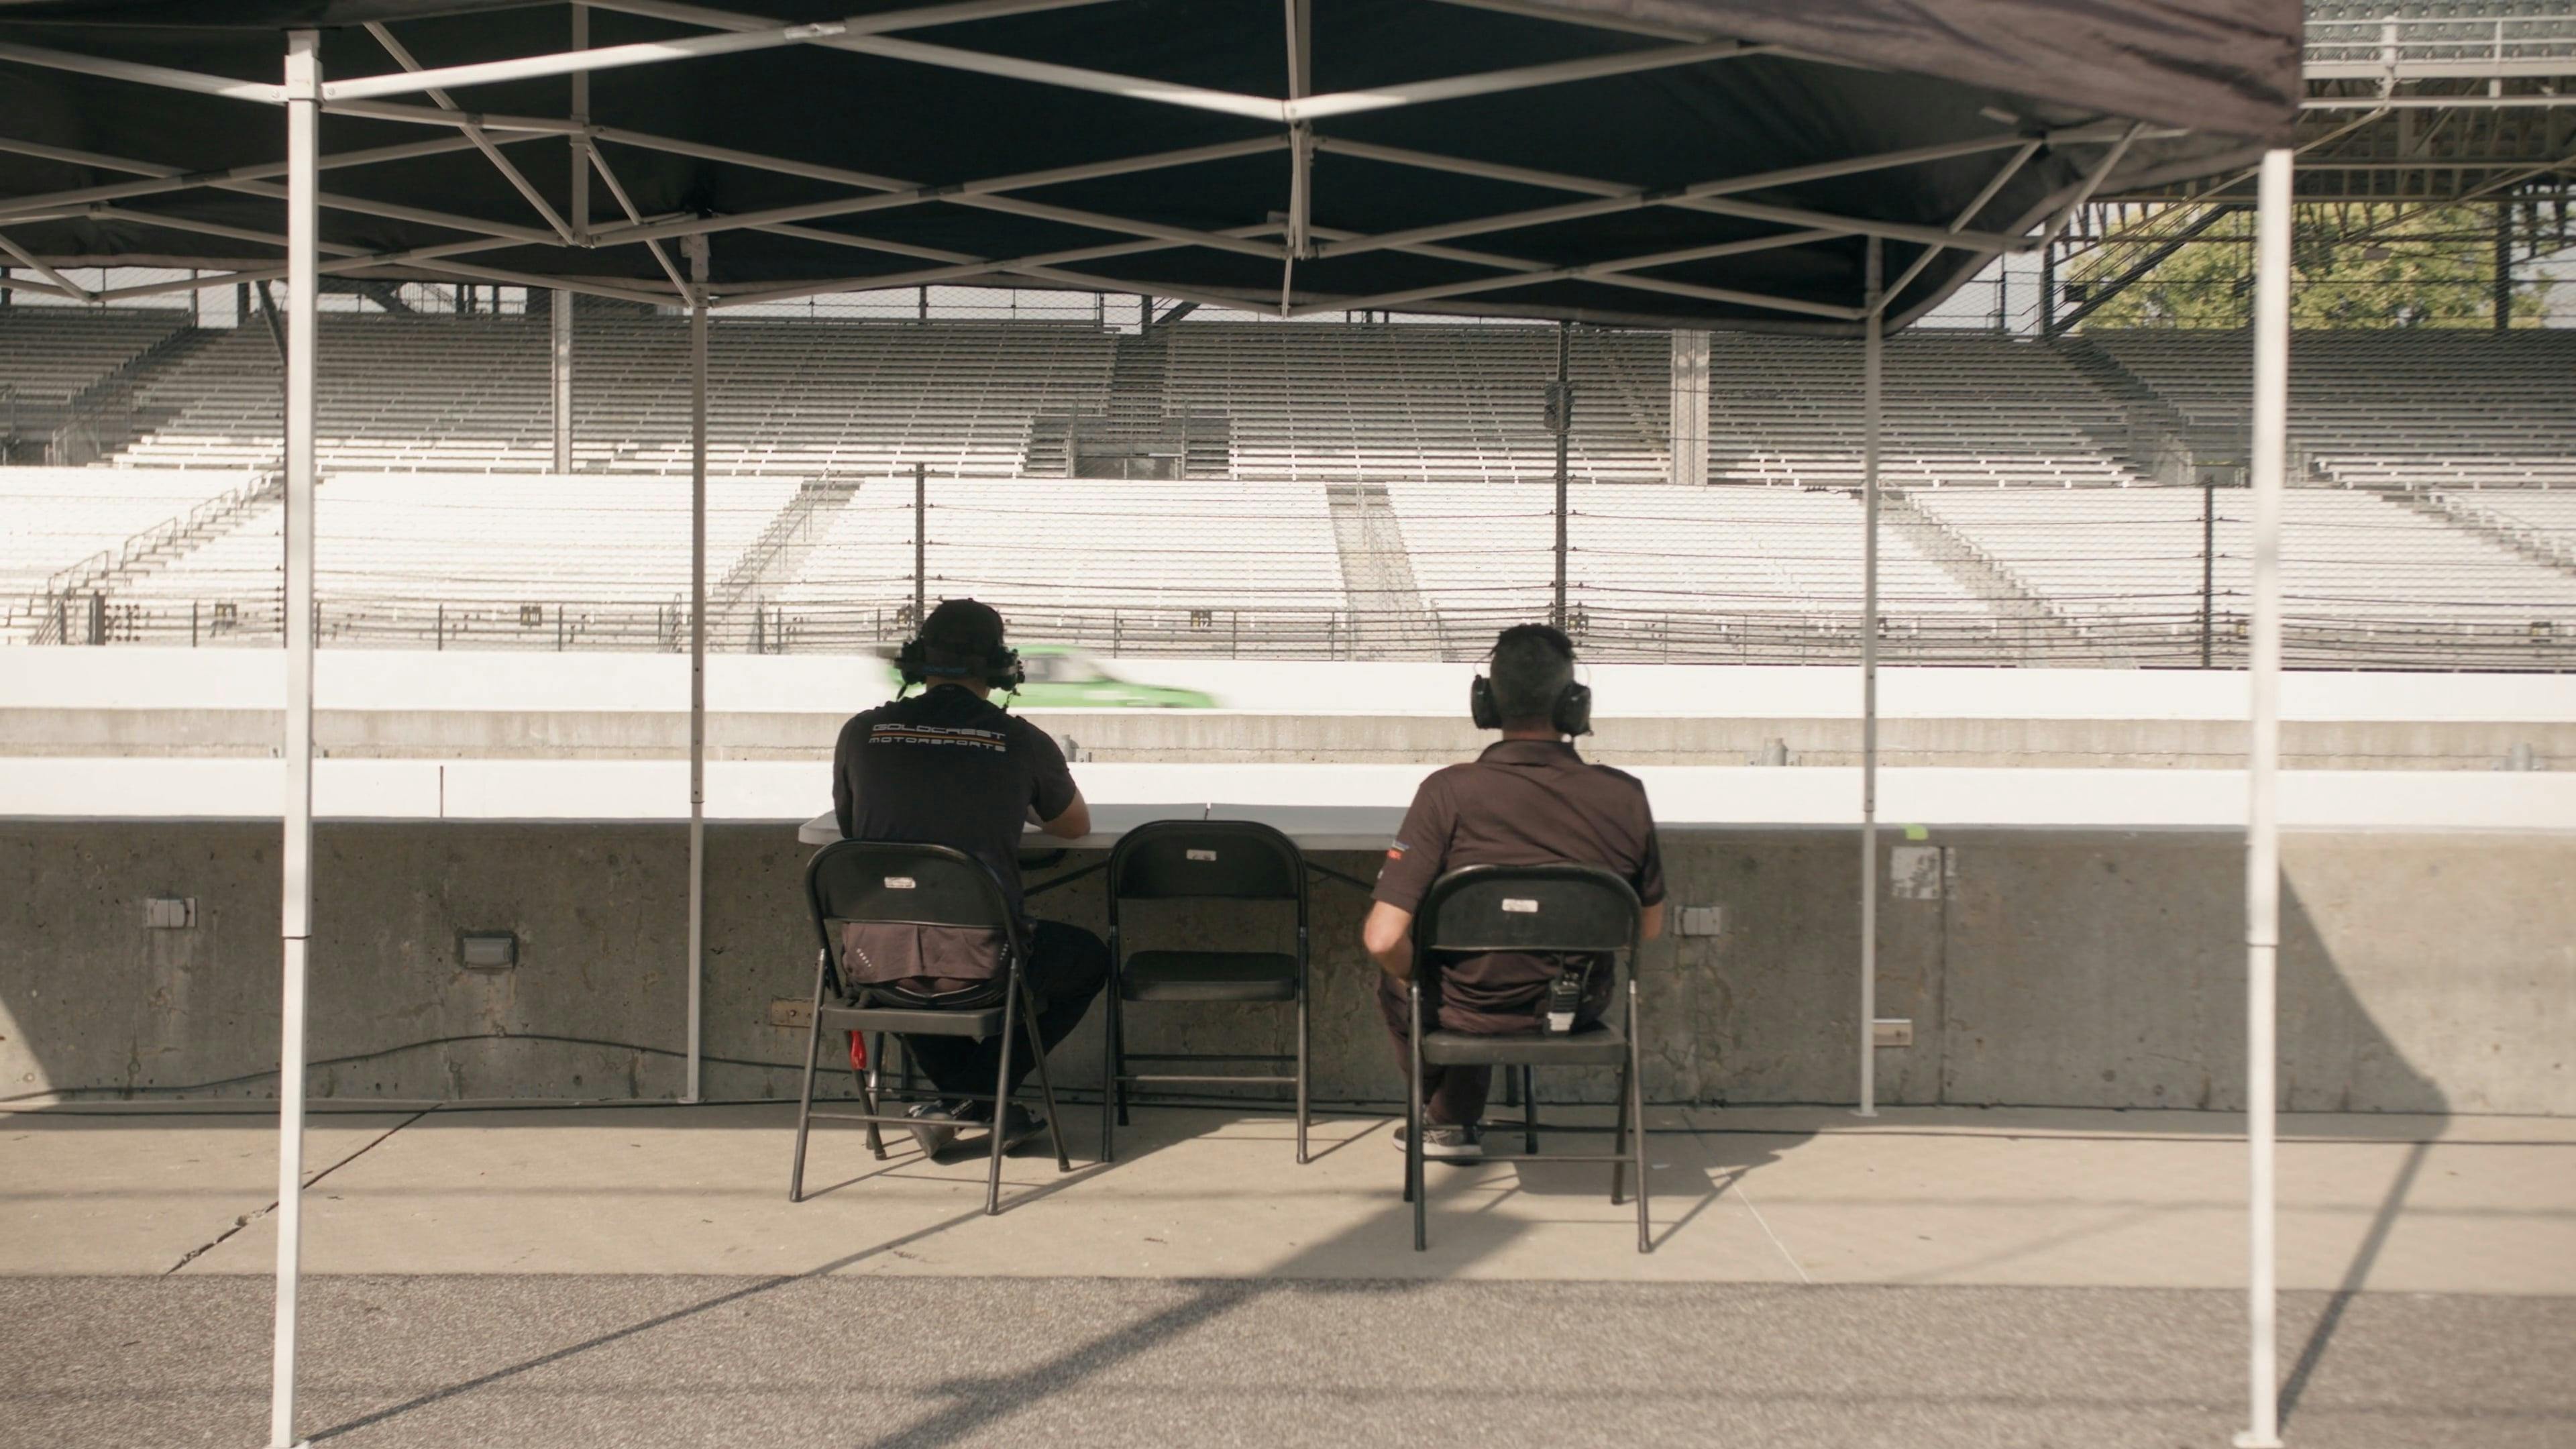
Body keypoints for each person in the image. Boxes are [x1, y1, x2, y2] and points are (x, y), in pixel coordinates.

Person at [1360, 624, 1666, 1161]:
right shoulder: (1626, 796)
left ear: (1486, 704)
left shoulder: (1445, 793)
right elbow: (1648, 927)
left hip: (1467, 1009)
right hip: (1578, 1006)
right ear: (1575, 704)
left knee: (1413, 982)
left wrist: (1422, 976)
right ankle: (1450, 1120)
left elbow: (1384, 940)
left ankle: (1447, 1120)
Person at [832, 598, 1107, 1159]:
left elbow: (854, 829)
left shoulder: (860, 733)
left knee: (901, 964)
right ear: (1003, 667)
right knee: (1086, 959)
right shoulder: (1020, 740)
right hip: (983, 964)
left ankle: (961, 1102)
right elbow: (1074, 827)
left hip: (872, 965)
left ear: (916, 662)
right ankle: (978, 1100)